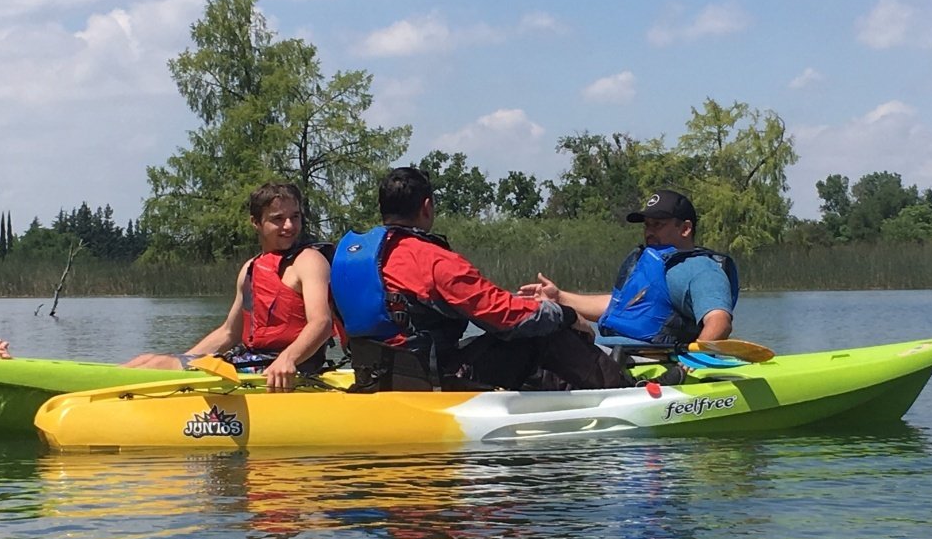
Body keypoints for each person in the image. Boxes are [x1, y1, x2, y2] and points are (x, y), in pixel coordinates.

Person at [331, 165, 626, 392]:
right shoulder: (433, 260)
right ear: (427, 207)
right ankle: (622, 390)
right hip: (434, 380)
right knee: (545, 332)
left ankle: (564, 395)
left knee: (502, 345)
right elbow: (508, 318)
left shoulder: (348, 259)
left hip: (377, 375)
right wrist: (566, 314)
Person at [117, 181, 335, 392]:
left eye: (295, 217)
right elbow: (230, 333)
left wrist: (287, 359)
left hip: (287, 369)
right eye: (278, 219)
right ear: (256, 222)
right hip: (252, 361)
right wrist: (185, 361)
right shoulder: (251, 268)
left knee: (158, 365)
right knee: (147, 360)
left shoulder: (309, 261)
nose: (289, 226)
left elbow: (321, 323)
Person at [524, 188, 737, 357]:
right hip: (617, 353)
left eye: (658, 225)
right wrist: (559, 298)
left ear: (685, 228)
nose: (649, 232)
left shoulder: (701, 269)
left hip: (652, 361)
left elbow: (719, 322)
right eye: (647, 225)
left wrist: (695, 361)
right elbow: (619, 307)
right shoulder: (651, 262)